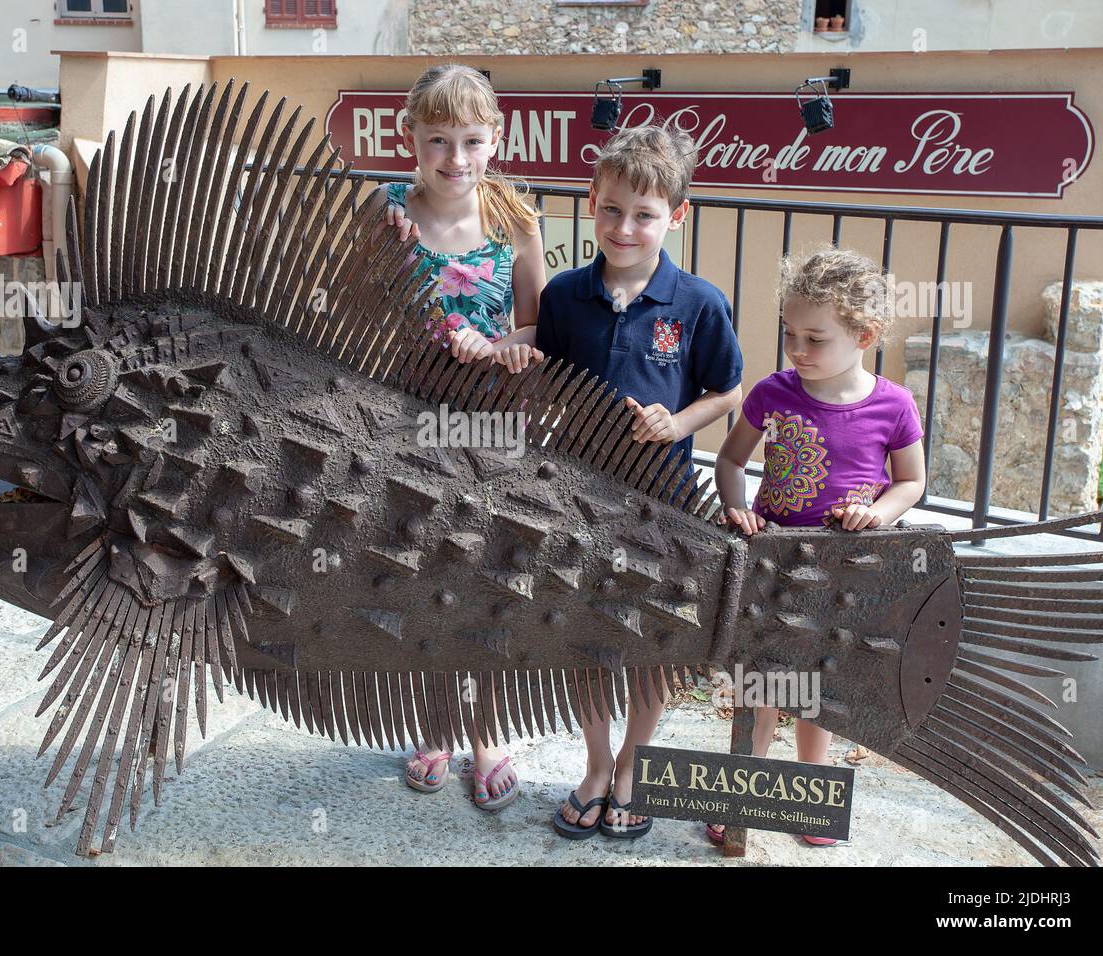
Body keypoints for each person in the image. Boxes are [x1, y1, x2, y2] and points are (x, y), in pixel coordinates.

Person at [539, 123, 744, 840]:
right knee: (585, 635)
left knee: (650, 640)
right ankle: (595, 765)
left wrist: (679, 423)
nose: (625, 228)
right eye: (611, 210)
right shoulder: (563, 297)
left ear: (676, 217)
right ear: (590, 203)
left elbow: (727, 392)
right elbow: (544, 381)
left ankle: (635, 764)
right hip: (577, 500)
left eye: (645, 214)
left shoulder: (699, 304)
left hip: (663, 504)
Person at [708, 245, 927, 846]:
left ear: (865, 335)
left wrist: (877, 512)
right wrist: (736, 507)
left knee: (817, 684)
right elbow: (730, 459)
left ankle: (812, 796)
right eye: (789, 334)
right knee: (760, 682)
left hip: (844, 567)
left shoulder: (894, 405)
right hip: (774, 559)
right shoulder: (772, 393)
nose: (797, 351)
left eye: (815, 338)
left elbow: (912, 481)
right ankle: (740, 792)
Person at [379, 63, 546, 809]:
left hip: (490, 420)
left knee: (487, 572)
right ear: (408, 136)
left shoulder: (515, 217)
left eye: (471, 140)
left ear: (496, 139)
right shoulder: (385, 211)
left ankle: (489, 733)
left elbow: (541, 321)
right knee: (420, 567)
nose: (455, 158)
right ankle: (436, 721)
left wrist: (500, 345)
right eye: (438, 139)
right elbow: (347, 307)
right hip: (405, 416)